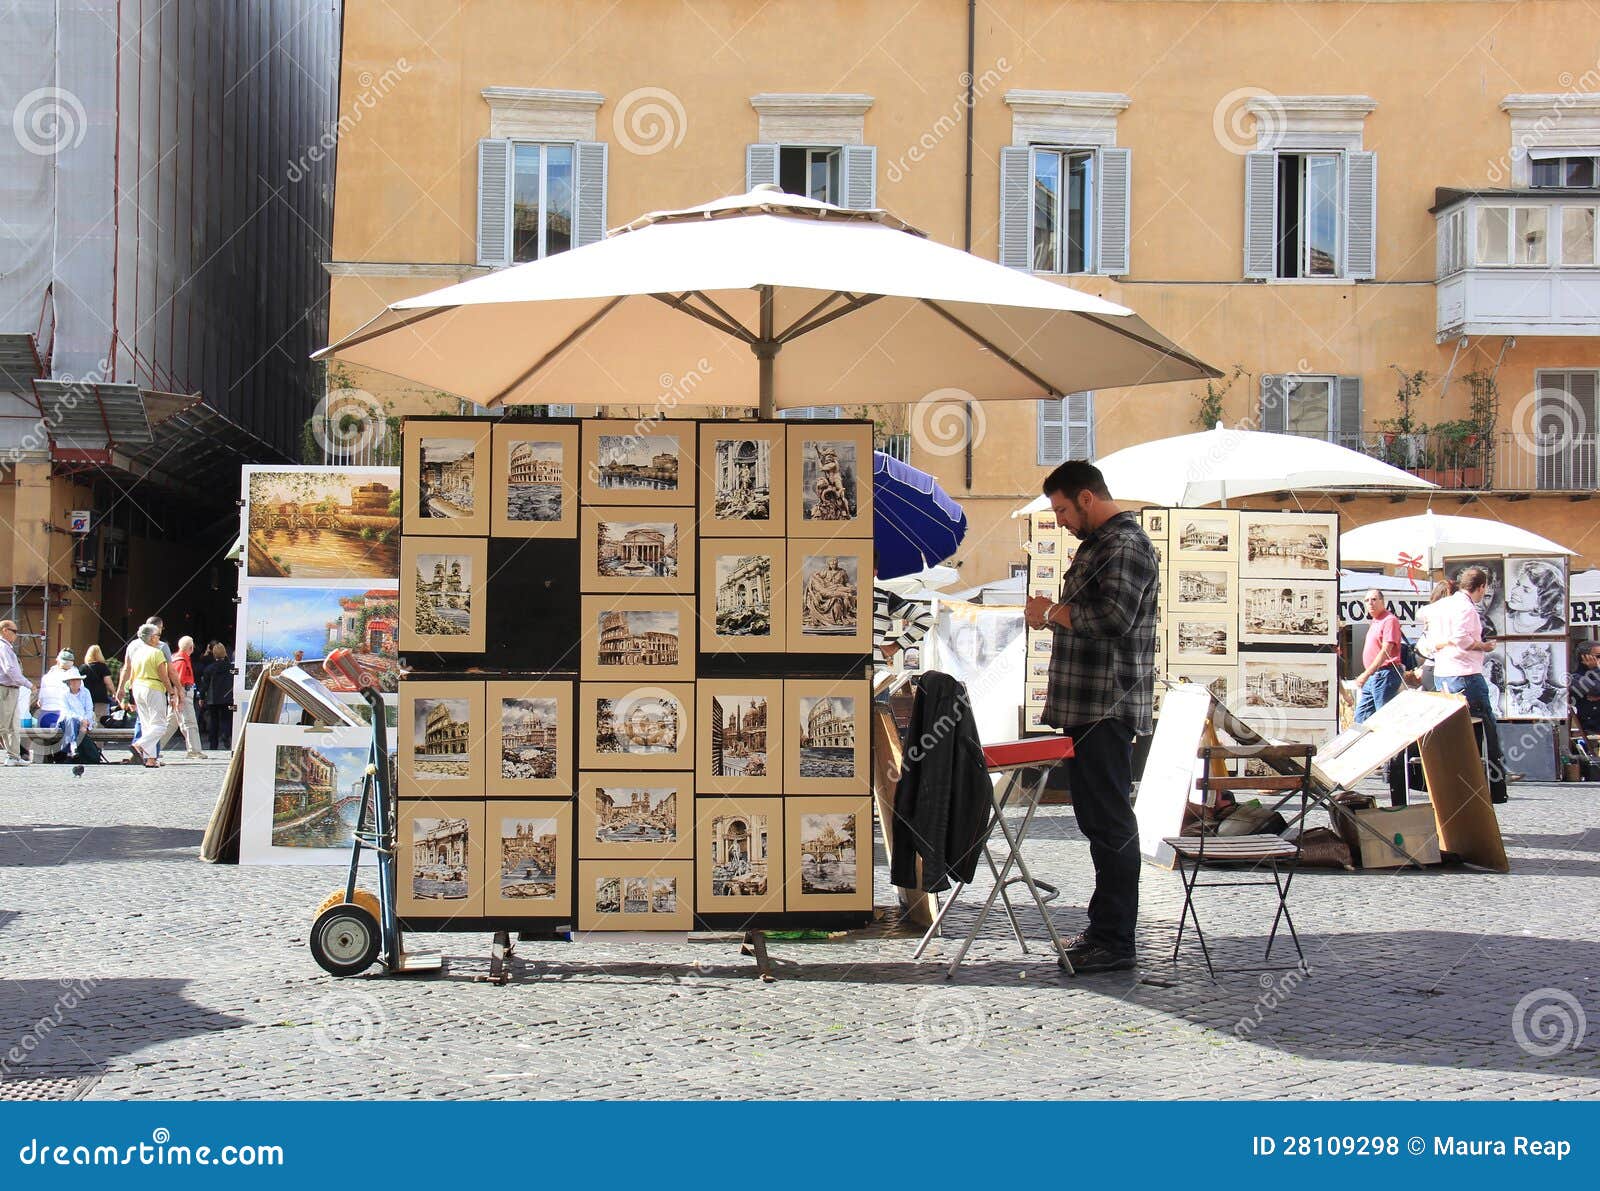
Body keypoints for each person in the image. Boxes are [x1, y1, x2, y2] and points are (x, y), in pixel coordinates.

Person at [1024, 460, 1159, 974]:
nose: (1059, 519)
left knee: (1111, 823)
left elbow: (1114, 619)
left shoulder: (1124, 545)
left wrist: (1052, 612)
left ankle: (1116, 939)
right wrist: (1054, 614)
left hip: (1106, 705)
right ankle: (1105, 929)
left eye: (1061, 508)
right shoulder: (1101, 545)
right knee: (1098, 820)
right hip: (1090, 705)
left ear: (1085, 497)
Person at [1427, 565, 1508, 804]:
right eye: (1484, 589)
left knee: (1456, 735)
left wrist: (1444, 642)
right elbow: (1462, 639)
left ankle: (1461, 787)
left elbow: (1426, 621)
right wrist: (1483, 646)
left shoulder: (1444, 605)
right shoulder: (1465, 607)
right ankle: (1491, 788)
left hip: (1444, 673)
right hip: (1465, 675)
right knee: (1485, 732)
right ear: (1481, 587)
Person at [1353, 590, 1407, 807]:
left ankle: (1390, 765)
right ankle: (1366, 761)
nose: (1370, 603)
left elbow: (1387, 650)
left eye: (1374, 599)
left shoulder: (1389, 620)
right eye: (1367, 600)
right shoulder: (1374, 621)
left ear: (1383, 601)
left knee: (1383, 720)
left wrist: (1366, 673)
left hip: (1384, 673)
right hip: (1373, 676)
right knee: (1361, 719)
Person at [127, 623, 175, 768]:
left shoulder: (137, 653)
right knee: (160, 726)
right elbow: (164, 675)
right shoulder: (156, 652)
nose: (159, 639)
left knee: (148, 725)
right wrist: (171, 691)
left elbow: (131, 674)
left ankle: (150, 759)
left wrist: (130, 694)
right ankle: (139, 745)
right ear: (152, 638)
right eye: (158, 636)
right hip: (153, 687)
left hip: (137, 687)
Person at [159, 635, 205, 759]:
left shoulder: (176, 658)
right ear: (191, 647)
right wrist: (179, 697)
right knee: (190, 723)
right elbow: (177, 680)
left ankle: (155, 748)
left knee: (170, 723)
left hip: (179, 693)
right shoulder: (181, 660)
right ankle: (194, 751)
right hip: (183, 693)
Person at [0, 619, 37, 766]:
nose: (16, 635)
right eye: (14, 631)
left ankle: (13, 756)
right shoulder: (3, 647)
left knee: (13, 726)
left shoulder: (7, 648)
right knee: (2, 724)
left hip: (12, 690)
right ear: (5, 630)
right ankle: (12, 756)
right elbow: (10, 670)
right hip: (5, 689)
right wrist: (28, 684)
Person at [1504, 560, 1567, 636]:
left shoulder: (1556, 629)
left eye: (1526, 590)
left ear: (1544, 600)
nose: (1514, 590)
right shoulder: (1502, 612)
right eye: (1518, 584)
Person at [196, 641, 235, 751]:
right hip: (228, 698)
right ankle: (225, 734)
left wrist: (201, 697)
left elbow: (205, 685)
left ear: (214, 654)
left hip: (213, 699)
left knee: (213, 721)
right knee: (226, 719)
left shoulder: (209, 669)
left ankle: (213, 744)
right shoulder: (231, 668)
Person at [55, 669, 95, 759]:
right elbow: (66, 711)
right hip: (68, 720)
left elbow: (89, 709)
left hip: (85, 721)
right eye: (73, 680)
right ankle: (73, 744)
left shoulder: (86, 692)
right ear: (68, 682)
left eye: (78, 680)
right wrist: (81, 720)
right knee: (71, 720)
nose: (76, 682)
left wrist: (85, 721)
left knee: (74, 722)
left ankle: (72, 747)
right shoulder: (64, 694)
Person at [34, 649, 77, 728]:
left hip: (44, 719)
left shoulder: (46, 677)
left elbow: (40, 702)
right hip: (62, 720)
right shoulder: (75, 678)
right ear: (72, 663)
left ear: (57, 661)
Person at [1572, 641, 1600, 735]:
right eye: (1598, 656)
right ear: (1584, 657)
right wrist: (1595, 669)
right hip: (1586, 732)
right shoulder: (1574, 677)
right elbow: (1596, 689)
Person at [81, 645, 115, 718]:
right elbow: (108, 682)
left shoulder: (83, 667)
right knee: (101, 719)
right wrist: (114, 692)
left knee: (86, 718)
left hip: (86, 697)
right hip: (100, 697)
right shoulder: (103, 667)